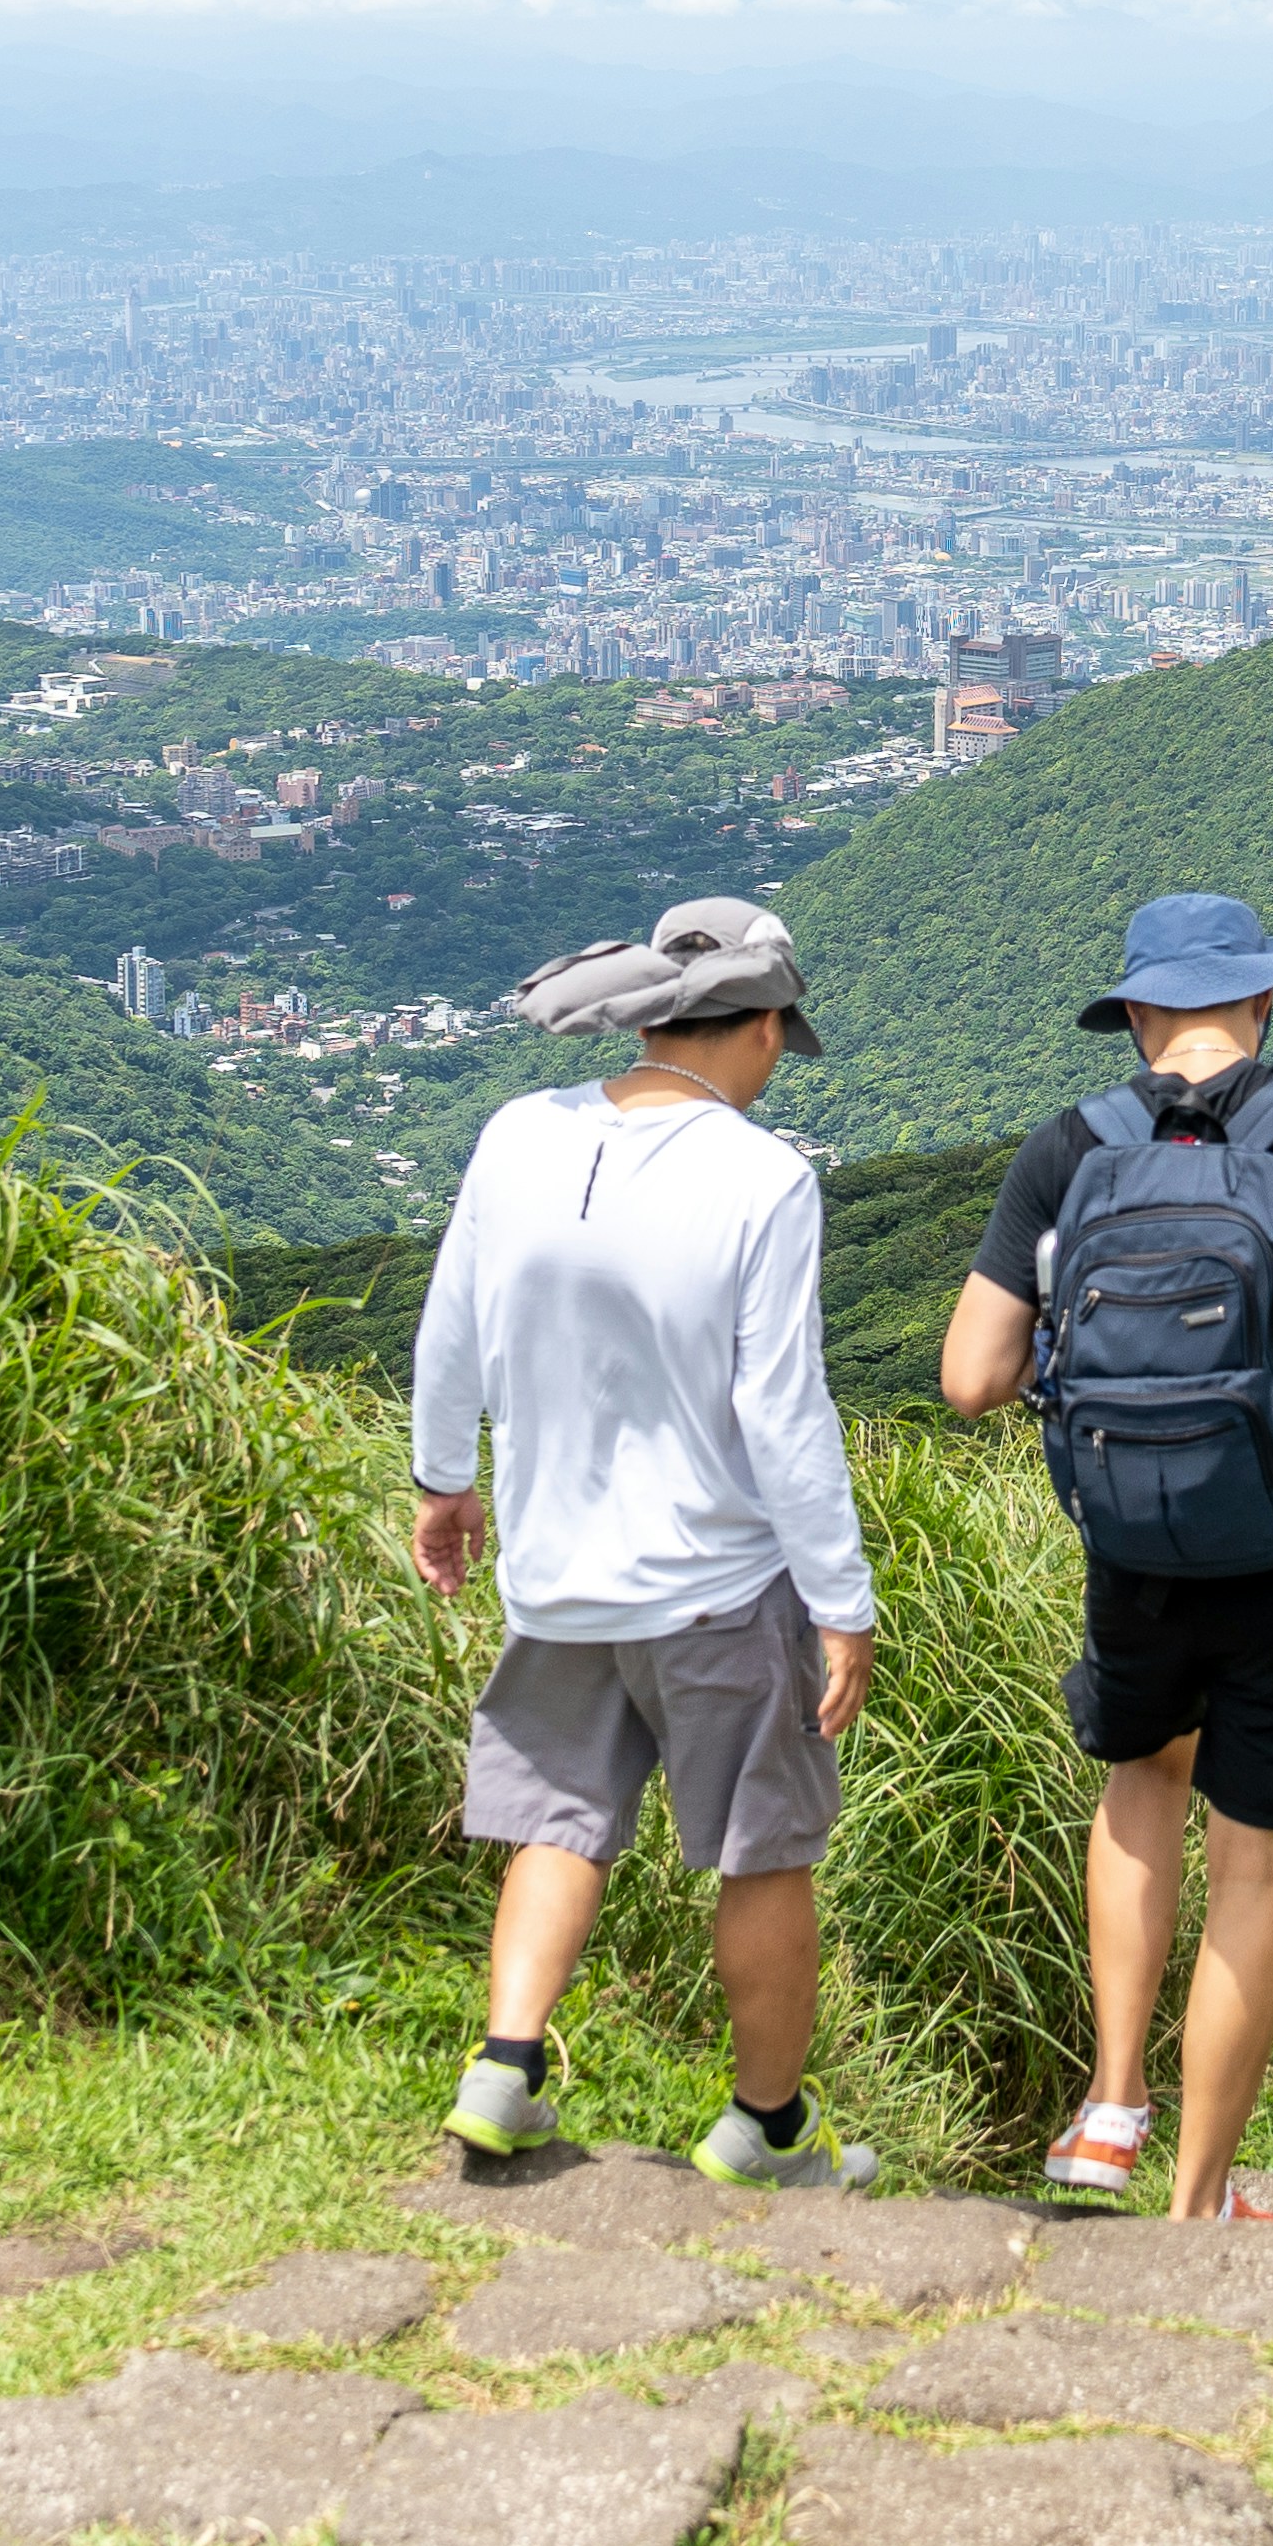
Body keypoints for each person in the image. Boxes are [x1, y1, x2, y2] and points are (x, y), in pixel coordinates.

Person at [939, 893, 1273, 2220]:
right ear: (1263, 1006)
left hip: (1133, 1544)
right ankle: (1195, 2203)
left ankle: (1109, 2104)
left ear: (1132, 1019)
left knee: (1140, 1787)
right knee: (1256, 1861)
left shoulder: (1070, 1149)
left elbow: (967, 1377)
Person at [411, 897, 882, 2192]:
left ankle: (502, 2070)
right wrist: (842, 1602)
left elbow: (454, 1319)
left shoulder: (522, 1134)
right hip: (716, 1582)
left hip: (554, 1572)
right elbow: (781, 1409)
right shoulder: (764, 1177)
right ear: (769, 1028)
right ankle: (764, 2132)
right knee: (762, 1843)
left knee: (556, 1824)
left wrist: (444, 1480)